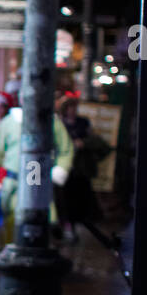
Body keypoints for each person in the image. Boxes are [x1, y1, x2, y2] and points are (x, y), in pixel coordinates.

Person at [0, 95, 74, 246]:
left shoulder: (51, 121)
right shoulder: (8, 123)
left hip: (36, 177)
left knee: (38, 220)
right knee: (11, 222)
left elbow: (65, 148)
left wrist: (59, 170)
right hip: (14, 180)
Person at [57, 94, 111, 240]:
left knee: (82, 197)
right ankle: (69, 226)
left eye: (74, 107)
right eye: (69, 107)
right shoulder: (60, 123)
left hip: (81, 168)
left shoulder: (83, 123)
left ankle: (82, 223)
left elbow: (95, 140)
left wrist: (83, 143)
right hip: (66, 167)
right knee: (66, 199)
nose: (72, 110)